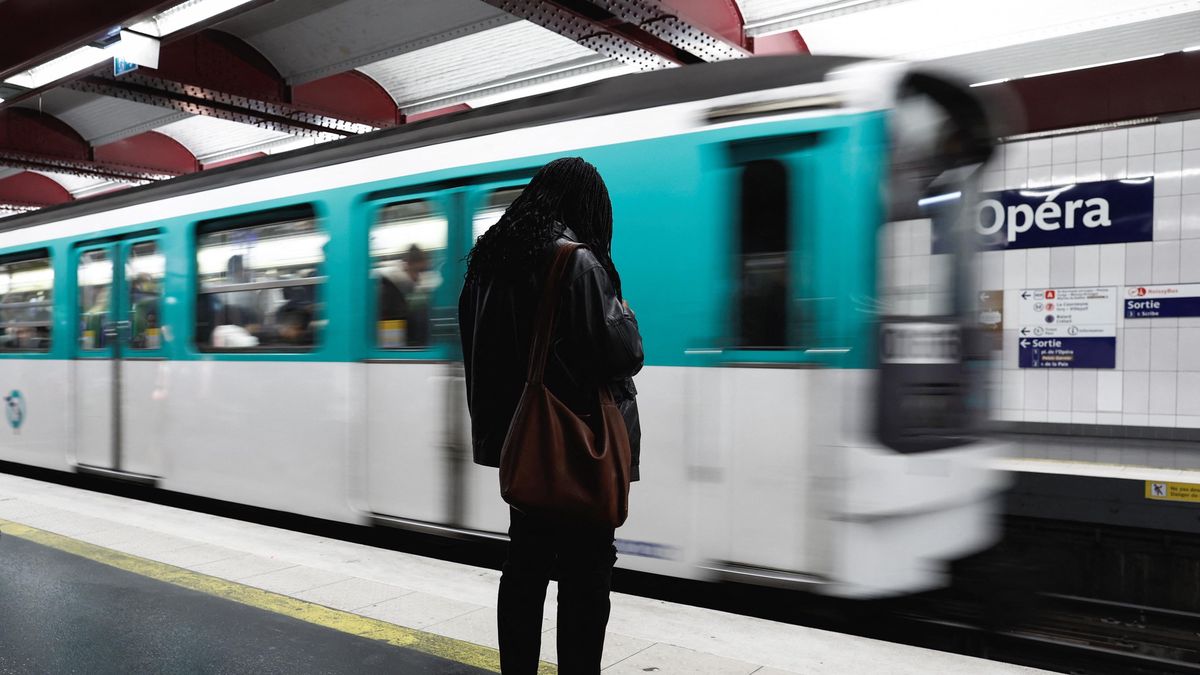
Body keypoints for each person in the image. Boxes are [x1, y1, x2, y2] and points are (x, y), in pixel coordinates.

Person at [458, 157, 643, 674]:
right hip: (578, 444)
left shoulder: (488, 262)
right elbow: (622, 352)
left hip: (529, 444)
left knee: (525, 566)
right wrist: (624, 308)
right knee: (585, 579)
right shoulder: (577, 262)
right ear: (586, 207)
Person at [378, 244, 432, 347]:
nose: (419, 277)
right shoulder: (390, 293)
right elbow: (391, 344)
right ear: (408, 265)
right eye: (418, 271)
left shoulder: (398, 290)